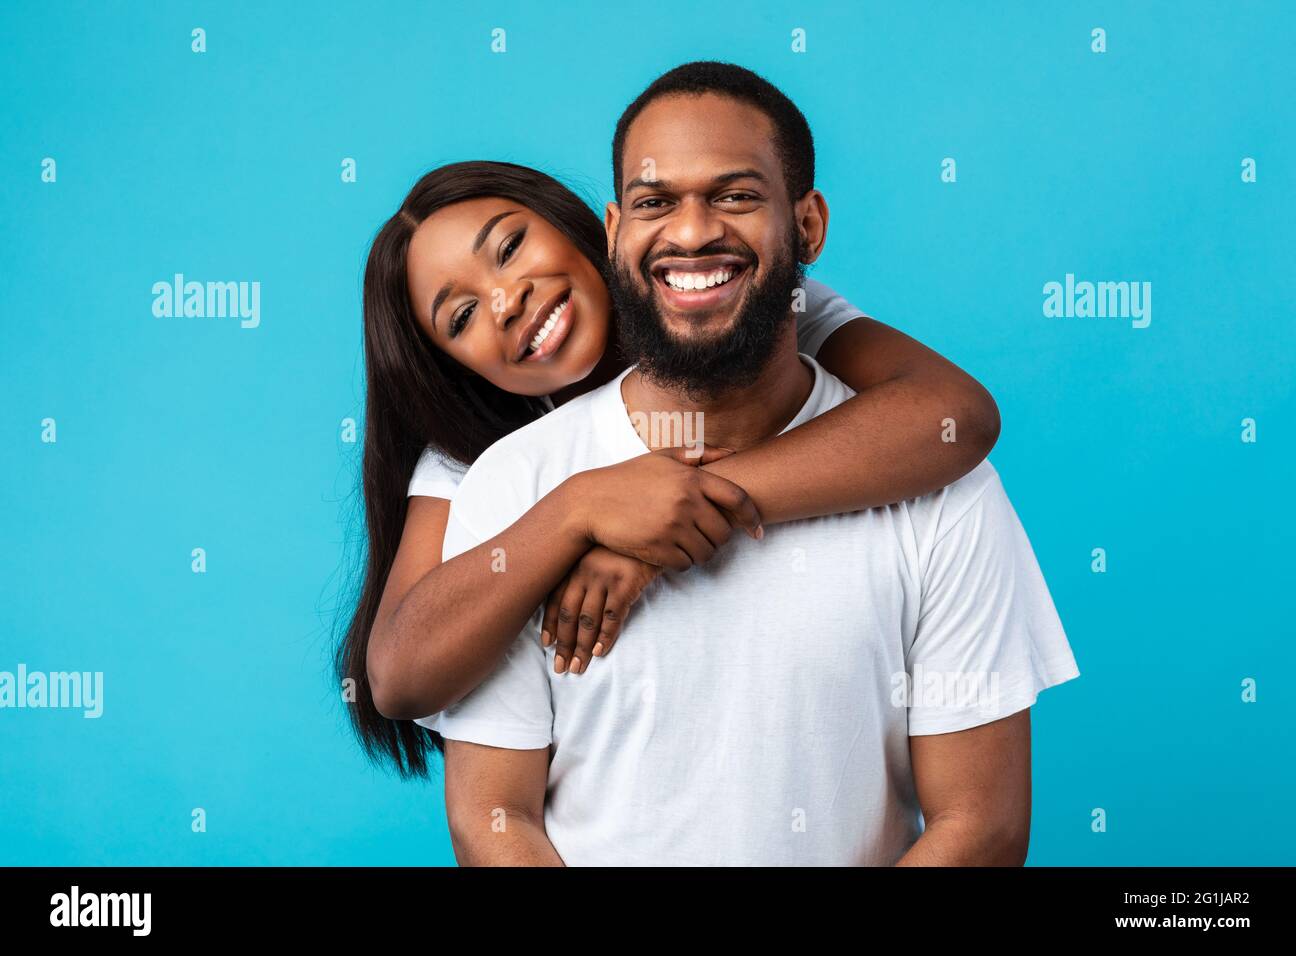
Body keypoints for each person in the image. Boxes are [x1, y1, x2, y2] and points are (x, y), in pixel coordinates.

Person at [426, 61, 1080, 866]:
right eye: (655, 202)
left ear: (807, 226)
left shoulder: (939, 486)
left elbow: (979, 826)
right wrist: (582, 516)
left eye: (735, 196)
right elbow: (494, 820)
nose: (692, 231)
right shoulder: (515, 481)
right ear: (614, 230)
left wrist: (689, 508)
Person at [338, 122, 1002, 780]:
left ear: (594, 228)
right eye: (461, 317)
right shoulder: (475, 457)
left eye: (510, 247)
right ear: (454, 369)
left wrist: (665, 522)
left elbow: (955, 417)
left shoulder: (731, 301)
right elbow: (398, 676)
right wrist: (580, 510)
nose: (508, 301)